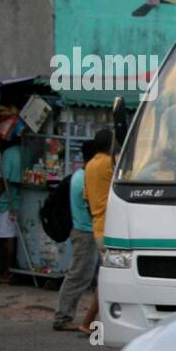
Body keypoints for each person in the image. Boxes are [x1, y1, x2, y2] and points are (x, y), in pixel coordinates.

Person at [53, 140, 100, 332]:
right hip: (85, 232)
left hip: (87, 231)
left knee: (92, 276)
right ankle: (63, 317)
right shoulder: (85, 178)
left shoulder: (82, 176)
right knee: (79, 275)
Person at [80, 129, 115, 332]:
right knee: (108, 280)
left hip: (97, 226)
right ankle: (89, 322)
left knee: (107, 277)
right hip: (111, 227)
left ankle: (96, 322)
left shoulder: (90, 165)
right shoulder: (111, 163)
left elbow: (86, 199)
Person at [0, 115, 24, 283]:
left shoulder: (8, 154)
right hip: (20, 201)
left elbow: (2, 180)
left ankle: (7, 271)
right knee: (15, 236)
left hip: (7, 201)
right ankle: (12, 269)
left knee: (7, 237)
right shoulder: (26, 151)